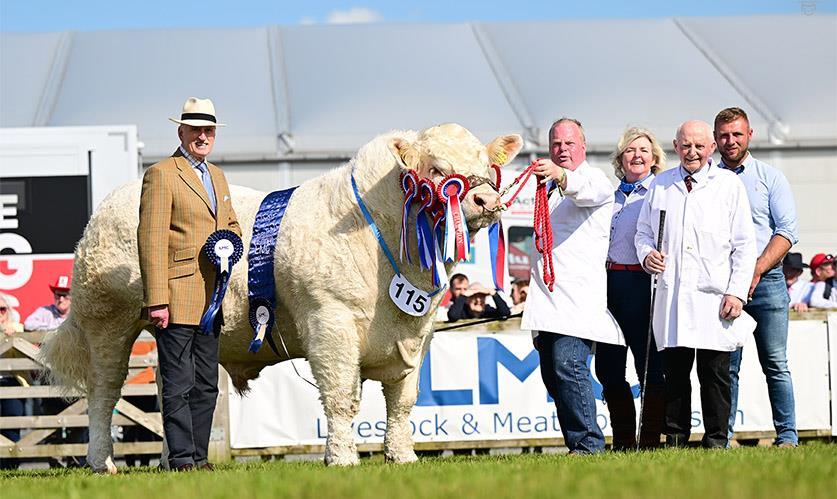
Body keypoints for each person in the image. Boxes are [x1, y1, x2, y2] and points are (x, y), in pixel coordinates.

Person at [636, 120, 757, 449]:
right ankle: (675, 438)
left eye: (699, 146)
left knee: (715, 374)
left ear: (711, 148)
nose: (692, 152)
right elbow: (643, 233)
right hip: (672, 294)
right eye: (685, 145)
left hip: (714, 295)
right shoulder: (661, 185)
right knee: (675, 374)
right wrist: (647, 255)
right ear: (676, 147)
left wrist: (736, 292)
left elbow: (745, 245)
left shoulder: (729, 186)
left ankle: (717, 440)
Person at [138, 97, 240, 471]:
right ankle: (181, 459)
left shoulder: (217, 176)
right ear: (180, 131)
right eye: (195, 129)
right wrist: (156, 300)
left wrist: (230, 242)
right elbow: (150, 239)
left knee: (207, 385)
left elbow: (230, 224)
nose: (202, 136)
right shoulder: (162, 174)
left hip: (212, 298)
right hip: (176, 295)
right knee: (178, 384)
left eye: (208, 130)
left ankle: (198, 458)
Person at [522, 118, 623, 455]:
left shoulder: (593, 178)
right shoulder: (547, 191)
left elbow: (586, 192)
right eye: (556, 144)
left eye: (568, 143)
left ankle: (589, 444)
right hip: (546, 300)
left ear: (582, 145)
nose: (562, 150)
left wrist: (561, 175)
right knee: (553, 376)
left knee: (569, 366)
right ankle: (575, 443)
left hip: (576, 301)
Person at [715, 107, 800, 448]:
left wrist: (756, 268)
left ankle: (788, 437)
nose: (730, 140)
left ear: (750, 135)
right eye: (723, 135)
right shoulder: (708, 178)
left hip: (768, 283)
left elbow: (787, 231)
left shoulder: (770, 177)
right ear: (715, 137)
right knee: (726, 367)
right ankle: (723, 438)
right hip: (723, 284)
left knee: (776, 364)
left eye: (737, 134)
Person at [595, 127, 666, 450]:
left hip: (642, 283)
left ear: (654, 160)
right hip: (609, 285)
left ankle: (650, 438)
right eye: (630, 151)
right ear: (620, 159)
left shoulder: (659, 193)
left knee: (647, 366)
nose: (637, 156)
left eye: (643, 151)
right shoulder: (609, 197)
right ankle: (623, 438)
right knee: (608, 367)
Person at [0, 293, 25, 469]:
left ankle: (11, 466)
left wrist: (13, 334)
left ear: (8, 311)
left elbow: (27, 353)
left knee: (12, 425)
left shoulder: (17, 327)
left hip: (12, 381)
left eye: (2, 309)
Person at [447, 282, 511, 322]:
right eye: (474, 296)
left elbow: (505, 313)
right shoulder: (462, 311)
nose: (478, 300)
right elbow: (453, 316)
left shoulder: (487, 310)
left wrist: (494, 294)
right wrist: (463, 296)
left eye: (482, 296)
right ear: (467, 299)